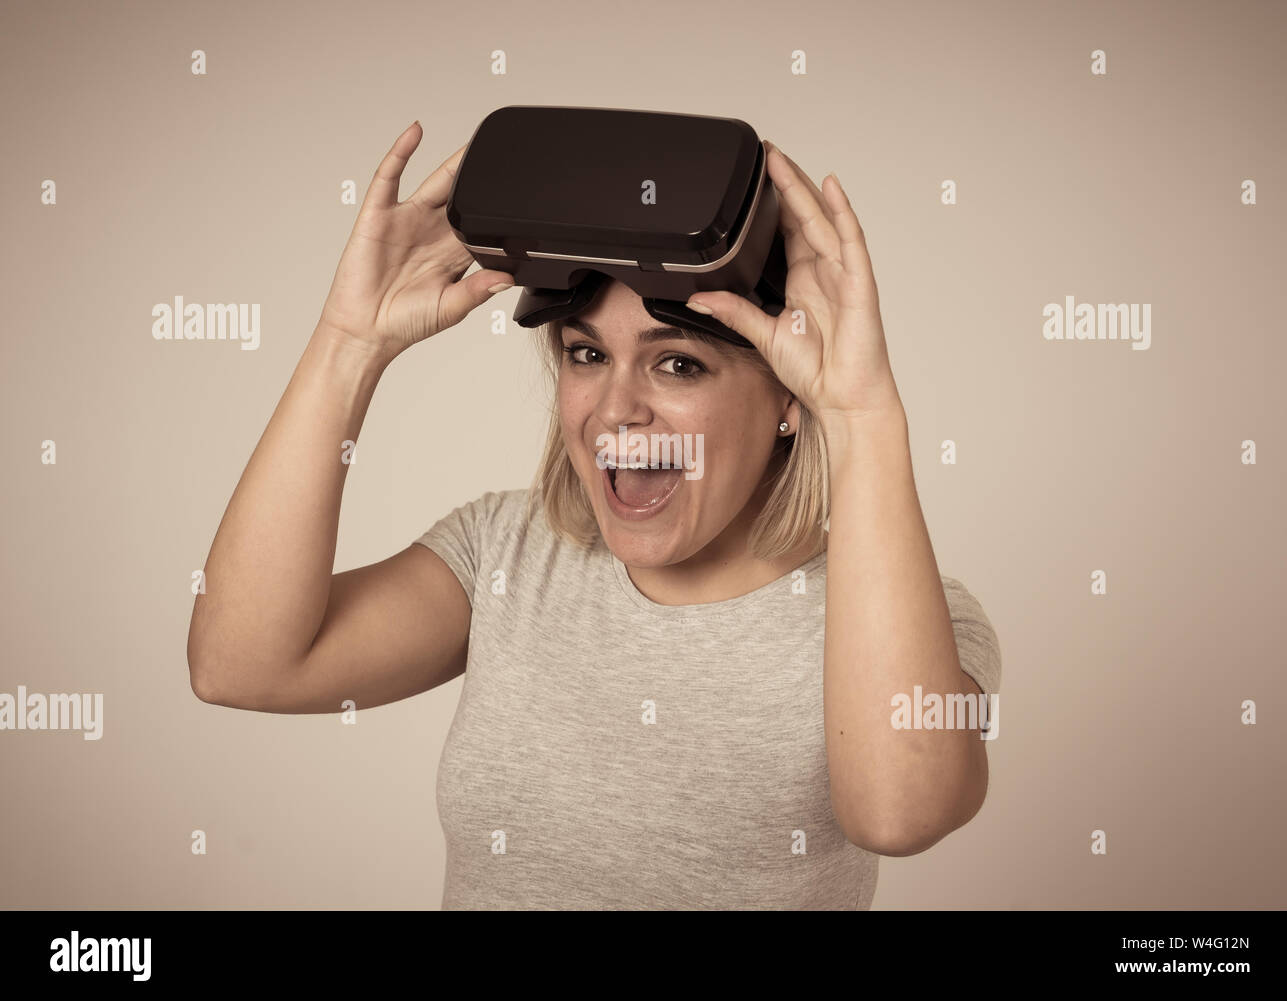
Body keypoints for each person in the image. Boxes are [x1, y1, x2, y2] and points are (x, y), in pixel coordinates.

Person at [187, 120, 1002, 910]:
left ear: (790, 395)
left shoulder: (904, 618)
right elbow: (242, 663)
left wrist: (861, 415)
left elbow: (901, 813)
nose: (617, 410)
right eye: (588, 354)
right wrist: (348, 342)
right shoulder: (507, 552)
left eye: (676, 364)